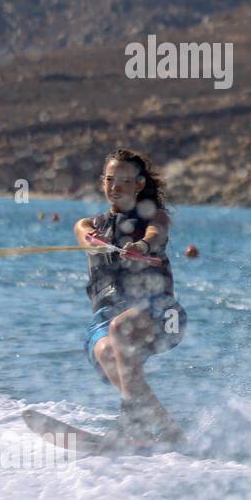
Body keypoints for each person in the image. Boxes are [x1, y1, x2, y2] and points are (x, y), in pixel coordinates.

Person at [73, 148, 187, 447]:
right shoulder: (89, 225)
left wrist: (143, 246)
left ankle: (131, 423)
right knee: (107, 351)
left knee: (120, 330)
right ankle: (168, 432)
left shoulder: (155, 217)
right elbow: (83, 234)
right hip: (106, 317)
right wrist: (95, 241)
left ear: (138, 184)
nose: (115, 187)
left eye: (124, 180)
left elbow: (157, 232)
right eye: (110, 179)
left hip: (161, 314)